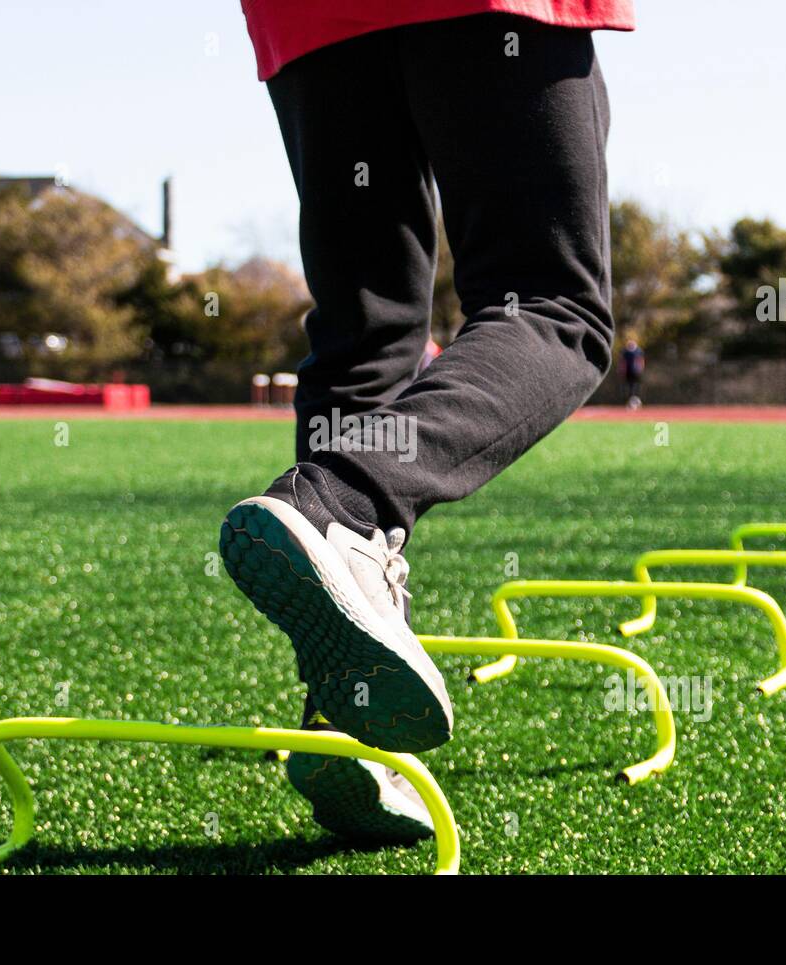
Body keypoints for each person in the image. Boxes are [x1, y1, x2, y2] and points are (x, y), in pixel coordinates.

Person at [220, 1, 631, 843]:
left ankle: (348, 717)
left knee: (363, 336)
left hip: (311, 20)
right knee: (552, 305)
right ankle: (345, 506)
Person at [620, 337, 645, 408]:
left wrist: (640, 369)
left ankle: (636, 401)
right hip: (628, 372)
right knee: (628, 387)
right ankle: (629, 402)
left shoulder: (638, 351)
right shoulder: (625, 352)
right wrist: (622, 370)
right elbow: (623, 362)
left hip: (636, 372)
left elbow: (641, 360)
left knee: (636, 386)